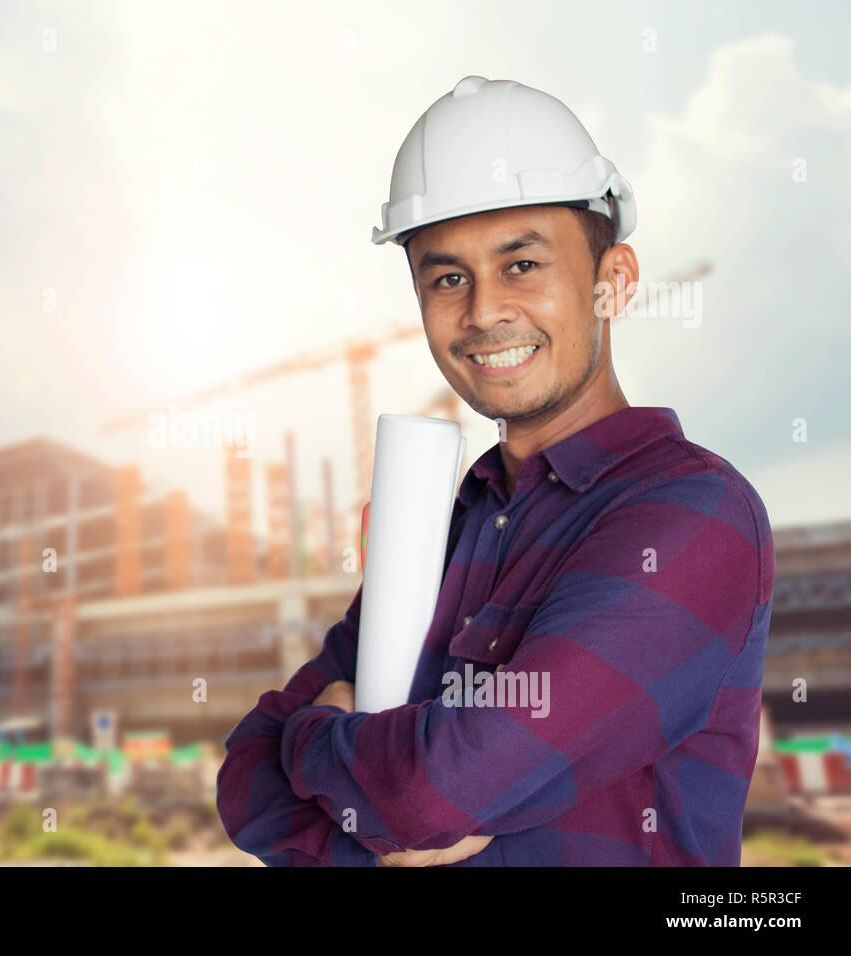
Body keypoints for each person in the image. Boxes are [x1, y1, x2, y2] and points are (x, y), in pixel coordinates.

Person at [215, 76, 774, 866]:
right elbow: (243, 781)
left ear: (612, 280)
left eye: (522, 265)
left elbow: (430, 792)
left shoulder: (693, 517)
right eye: (447, 278)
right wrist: (393, 813)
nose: (481, 312)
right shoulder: (448, 528)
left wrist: (315, 738)